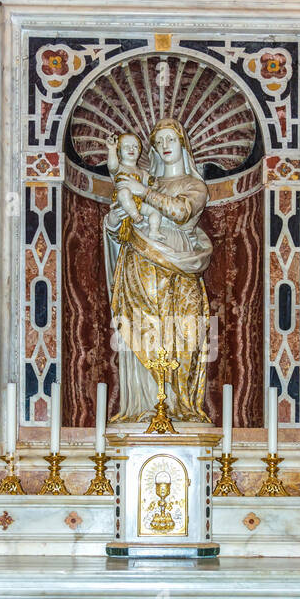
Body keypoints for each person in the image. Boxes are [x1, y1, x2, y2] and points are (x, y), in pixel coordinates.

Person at [104, 118, 212, 424]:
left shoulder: (193, 185)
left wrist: (142, 192)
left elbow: (180, 212)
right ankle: (143, 406)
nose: (165, 147)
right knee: (140, 329)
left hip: (178, 266)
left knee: (182, 337)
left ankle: (178, 407)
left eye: (171, 140)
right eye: (159, 141)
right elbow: (118, 229)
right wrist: (114, 221)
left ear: (183, 146)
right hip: (138, 265)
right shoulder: (144, 180)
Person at [105, 132, 161, 242]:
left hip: (138, 202)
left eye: (135, 146)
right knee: (124, 192)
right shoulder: (119, 167)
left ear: (139, 151)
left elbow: (151, 184)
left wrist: (154, 184)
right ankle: (135, 215)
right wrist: (111, 149)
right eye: (126, 147)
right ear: (119, 151)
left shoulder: (142, 172)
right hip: (123, 200)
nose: (131, 149)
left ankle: (154, 231)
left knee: (155, 210)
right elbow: (111, 166)